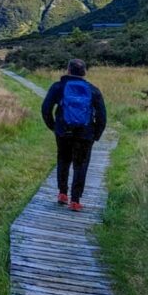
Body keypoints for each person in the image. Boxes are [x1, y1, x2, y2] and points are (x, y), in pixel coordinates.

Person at [40, 59, 107, 212]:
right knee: (81, 165)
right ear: (84, 72)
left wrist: (54, 126)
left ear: (68, 70)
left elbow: (45, 109)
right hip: (85, 134)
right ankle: (75, 201)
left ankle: (62, 194)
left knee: (63, 160)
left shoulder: (58, 87)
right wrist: (95, 135)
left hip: (63, 131)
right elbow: (102, 117)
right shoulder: (93, 90)